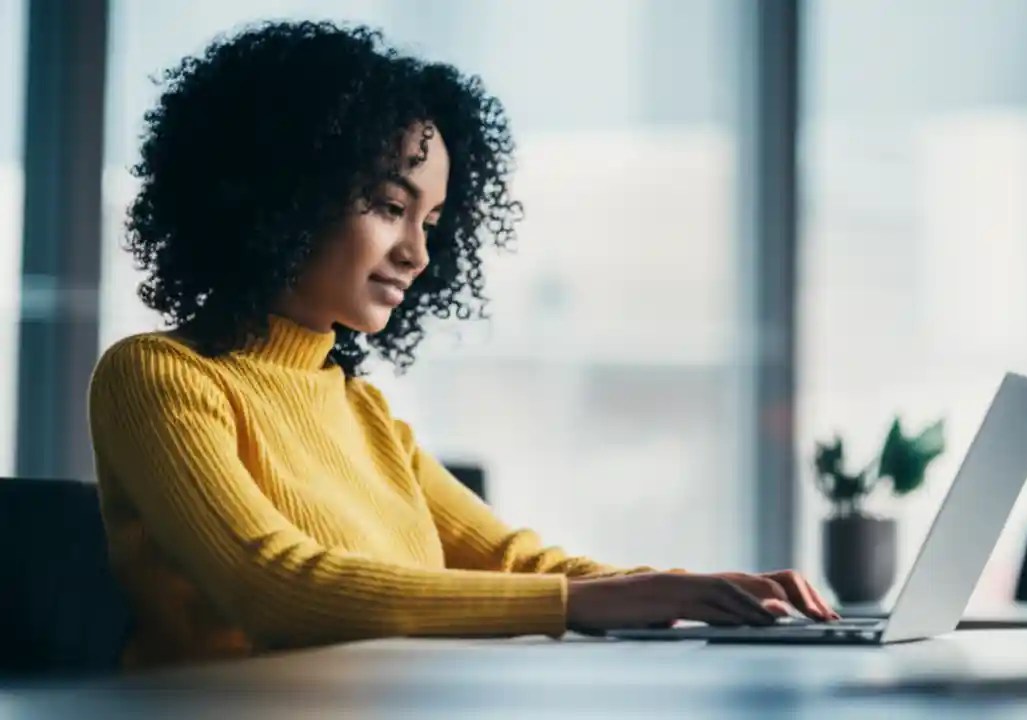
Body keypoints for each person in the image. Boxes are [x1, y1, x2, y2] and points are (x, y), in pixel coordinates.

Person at [88, 20, 837, 669]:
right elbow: (276, 586)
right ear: (281, 191)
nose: (417, 254)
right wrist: (589, 602)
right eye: (390, 207)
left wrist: (701, 592)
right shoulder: (158, 375)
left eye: (433, 223)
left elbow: (517, 563)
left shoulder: (361, 410)